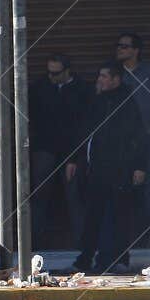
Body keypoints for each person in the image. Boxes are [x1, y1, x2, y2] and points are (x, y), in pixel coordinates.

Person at [66, 63, 148, 274]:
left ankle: (114, 258)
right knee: (93, 215)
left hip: (120, 170)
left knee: (117, 216)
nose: (99, 80)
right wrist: (74, 159)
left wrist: (139, 166)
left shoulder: (127, 102)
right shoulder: (97, 101)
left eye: (104, 76)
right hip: (96, 170)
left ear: (115, 79)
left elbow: (138, 136)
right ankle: (86, 258)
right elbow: (84, 132)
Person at [29, 53, 90, 244]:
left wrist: (76, 155)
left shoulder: (81, 89)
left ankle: (82, 242)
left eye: (56, 74)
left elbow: (84, 124)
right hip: (45, 148)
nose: (51, 77)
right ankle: (34, 241)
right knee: (39, 195)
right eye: (49, 73)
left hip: (72, 151)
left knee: (75, 197)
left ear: (67, 71)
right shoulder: (40, 88)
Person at [113, 31, 150, 263]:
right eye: (118, 46)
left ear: (136, 50)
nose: (120, 49)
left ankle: (147, 238)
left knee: (149, 193)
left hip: (148, 140)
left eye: (125, 46)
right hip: (123, 144)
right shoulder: (115, 74)